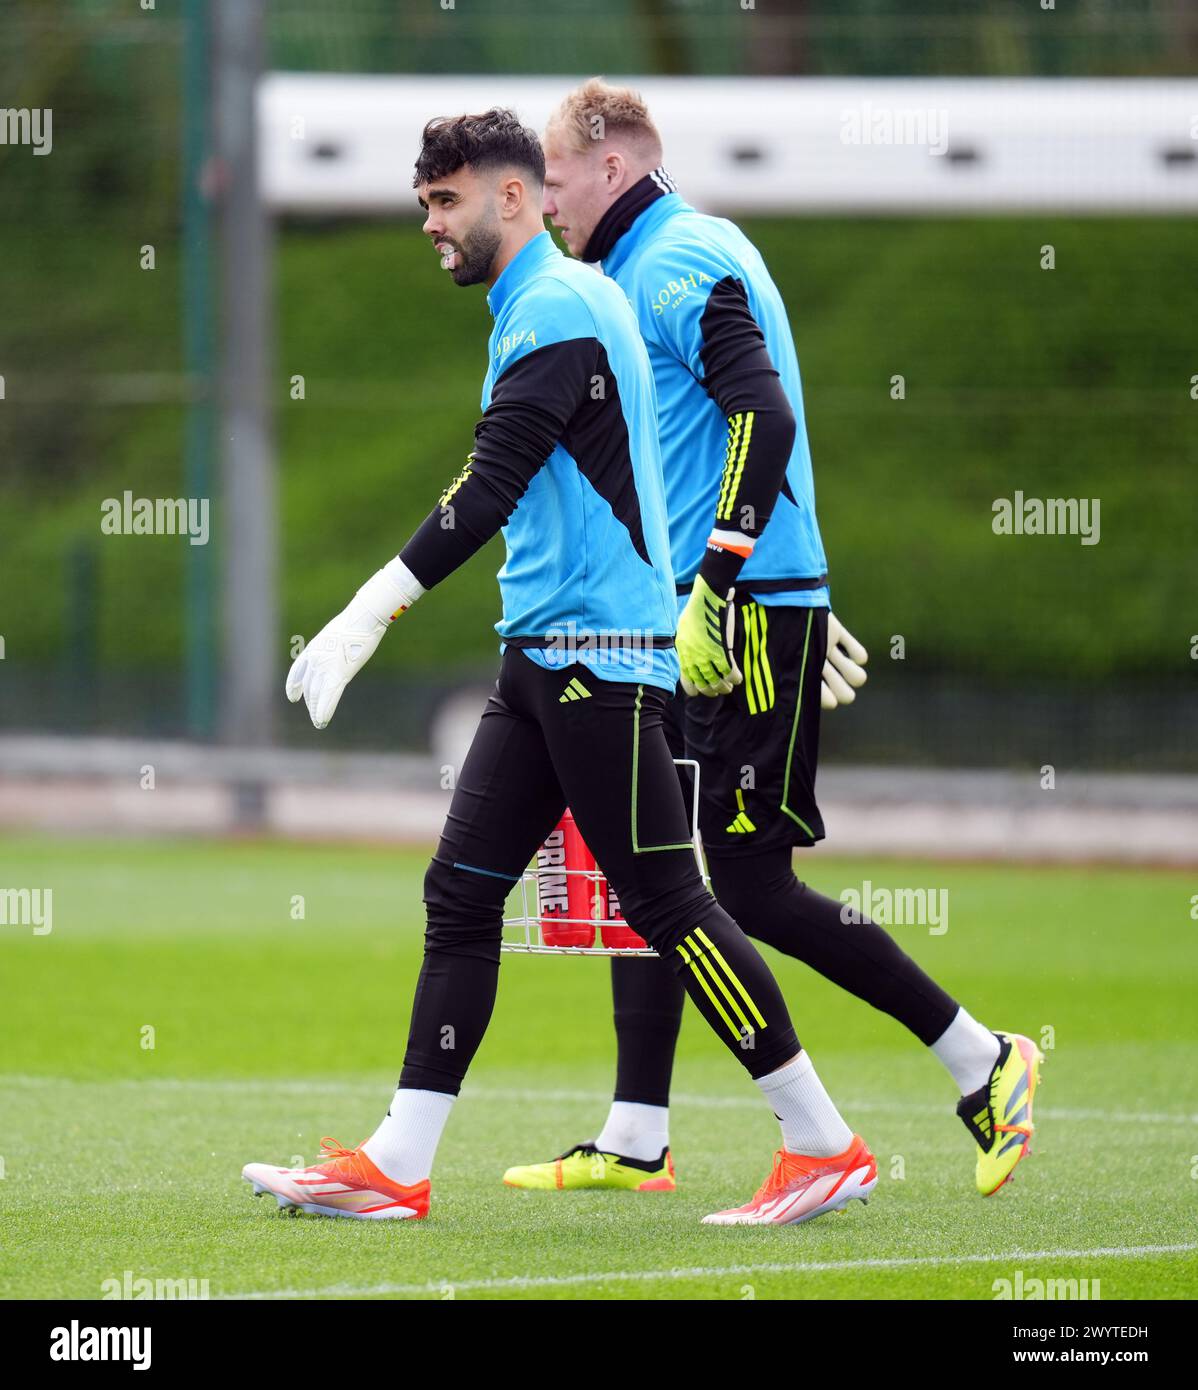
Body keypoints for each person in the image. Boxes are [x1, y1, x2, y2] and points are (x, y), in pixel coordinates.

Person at [241, 108, 877, 1226]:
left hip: (601, 662)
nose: (430, 224)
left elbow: (489, 484)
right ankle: (398, 1159)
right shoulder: (542, 302)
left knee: (671, 903)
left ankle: (822, 1142)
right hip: (544, 655)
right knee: (462, 894)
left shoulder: (559, 306)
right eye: (423, 203)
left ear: (514, 197)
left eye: (445, 202)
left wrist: (364, 611)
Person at [500, 80, 1041, 1201]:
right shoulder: (642, 262)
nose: (546, 205)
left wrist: (729, 582)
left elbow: (765, 412)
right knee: (642, 857)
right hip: (707, 608)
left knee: (742, 884)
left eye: (553, 181)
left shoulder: (682, 256)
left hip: (735, 614)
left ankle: (983, 1058)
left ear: (611, 166)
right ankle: (637, 1133)